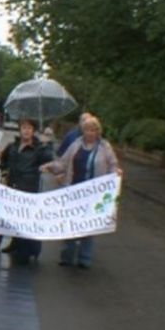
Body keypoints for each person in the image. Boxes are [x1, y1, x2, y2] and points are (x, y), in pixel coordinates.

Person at [42, 115, 121, 269]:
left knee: (88, 226)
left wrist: (115, 174)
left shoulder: (105, 147)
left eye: (93, 130)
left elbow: (113, 165)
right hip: (74, 191)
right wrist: (50, 166)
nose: (90, 133)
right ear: (83, 131)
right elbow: (63, 163)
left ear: (98, 131)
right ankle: (67, 256)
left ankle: (85, 258)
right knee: (71, 224)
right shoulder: (76, 145)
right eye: (87, 130)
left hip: (94, 194)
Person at [0, 118, 53, 264]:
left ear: (33, 131)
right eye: (24, 127)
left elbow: (49, 159)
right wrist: (4, 172)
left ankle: (29, 250)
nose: (26, 131)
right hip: (13, 184)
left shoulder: (39, 148)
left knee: (26, 219)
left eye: (29, 128)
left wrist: (47, 144)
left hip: (29, 186)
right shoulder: (13, 146)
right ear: (20, 130)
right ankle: (14, 243)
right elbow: (3, 160)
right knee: (14, 217)